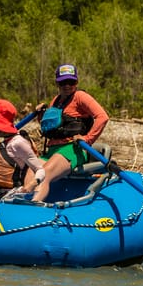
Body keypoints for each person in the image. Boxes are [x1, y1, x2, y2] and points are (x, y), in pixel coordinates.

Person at [23, 64, 109, 203]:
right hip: (52, 149)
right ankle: (24, 201)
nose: (67, 85)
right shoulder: (56, 101)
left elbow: (102, 117)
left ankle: (34, 206)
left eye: (71, 82)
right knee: (31, 171)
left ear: (76, 82)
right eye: (63, 82)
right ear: (57, 83)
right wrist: (41, 114)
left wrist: (87, 139)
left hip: (72, 149)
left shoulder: (81, 96)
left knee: (43, 174)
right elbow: (50, 127)